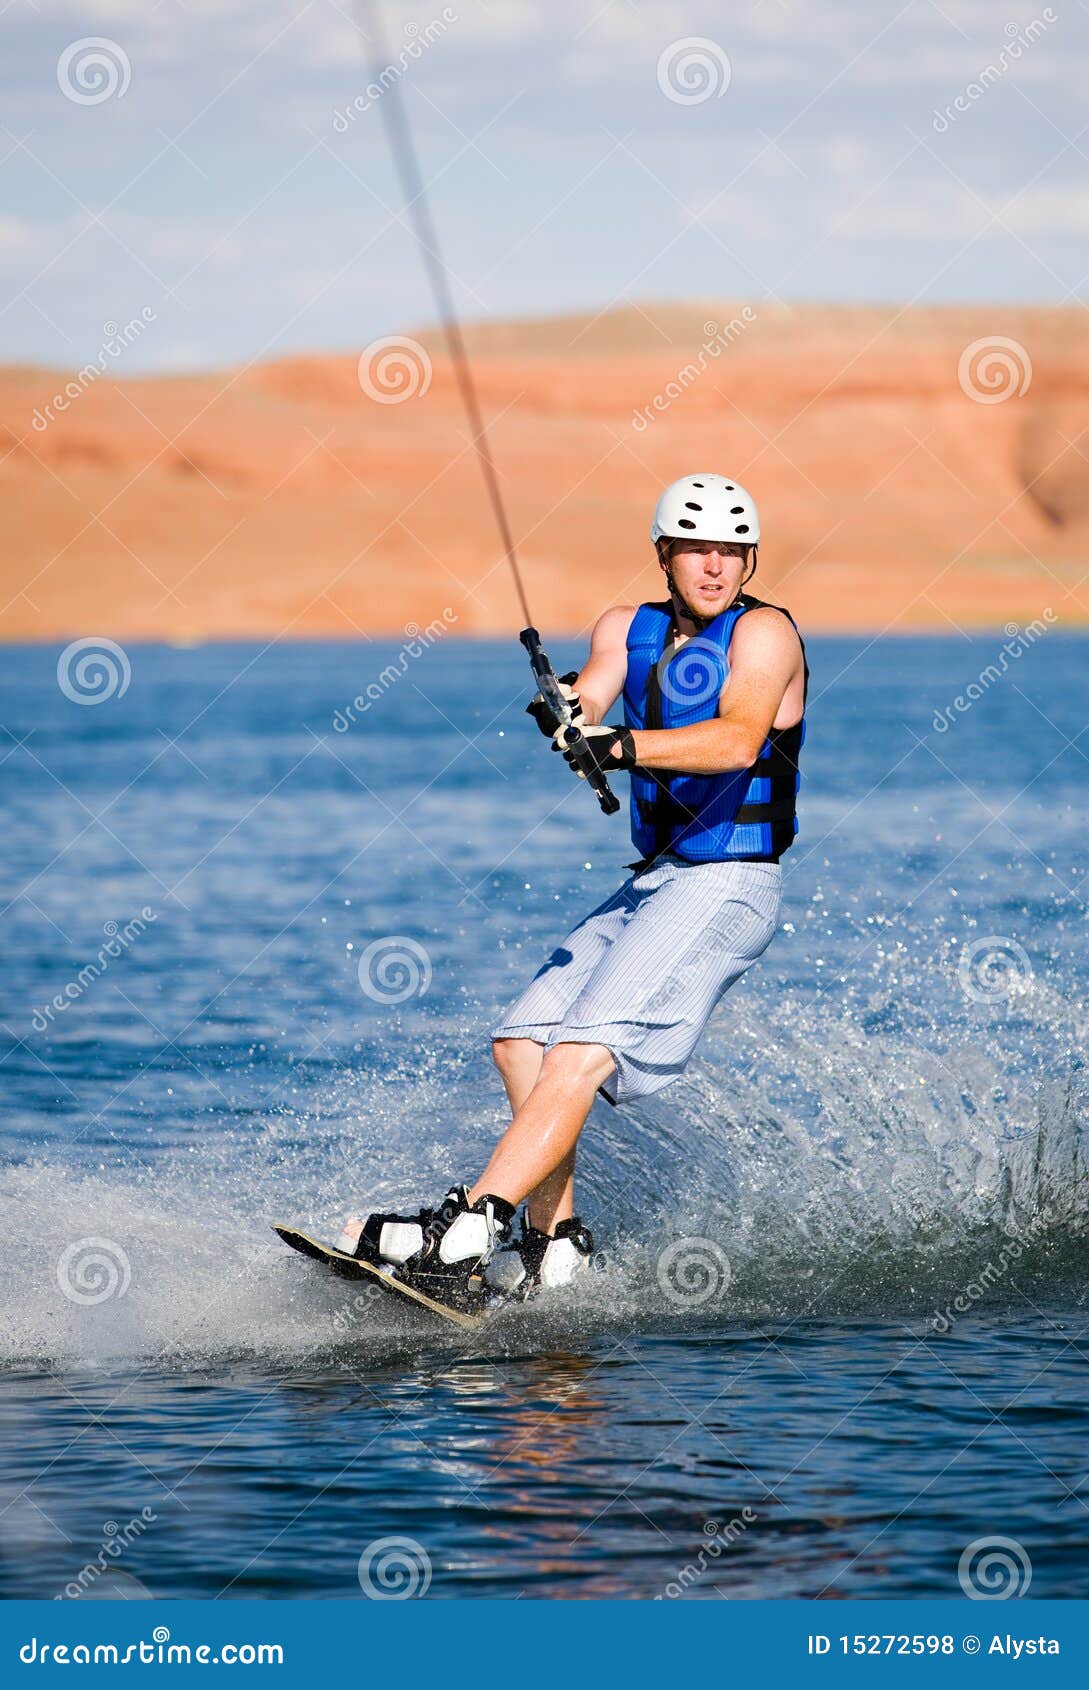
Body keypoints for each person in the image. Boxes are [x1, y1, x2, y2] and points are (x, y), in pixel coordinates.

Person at [338, 474, 808, 1310]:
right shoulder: (627, 626)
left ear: (750, 560)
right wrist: (568, 713)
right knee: (521, 1041)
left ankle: (471, 1228)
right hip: (659, 881)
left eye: (732, 550)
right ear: (663, 553)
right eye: (697, 548)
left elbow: (736, 741)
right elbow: (591, 691)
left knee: (581, 1052)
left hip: (730, 881)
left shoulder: (764, 634)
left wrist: (620, 746)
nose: (715, 565)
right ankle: (554, 1249)